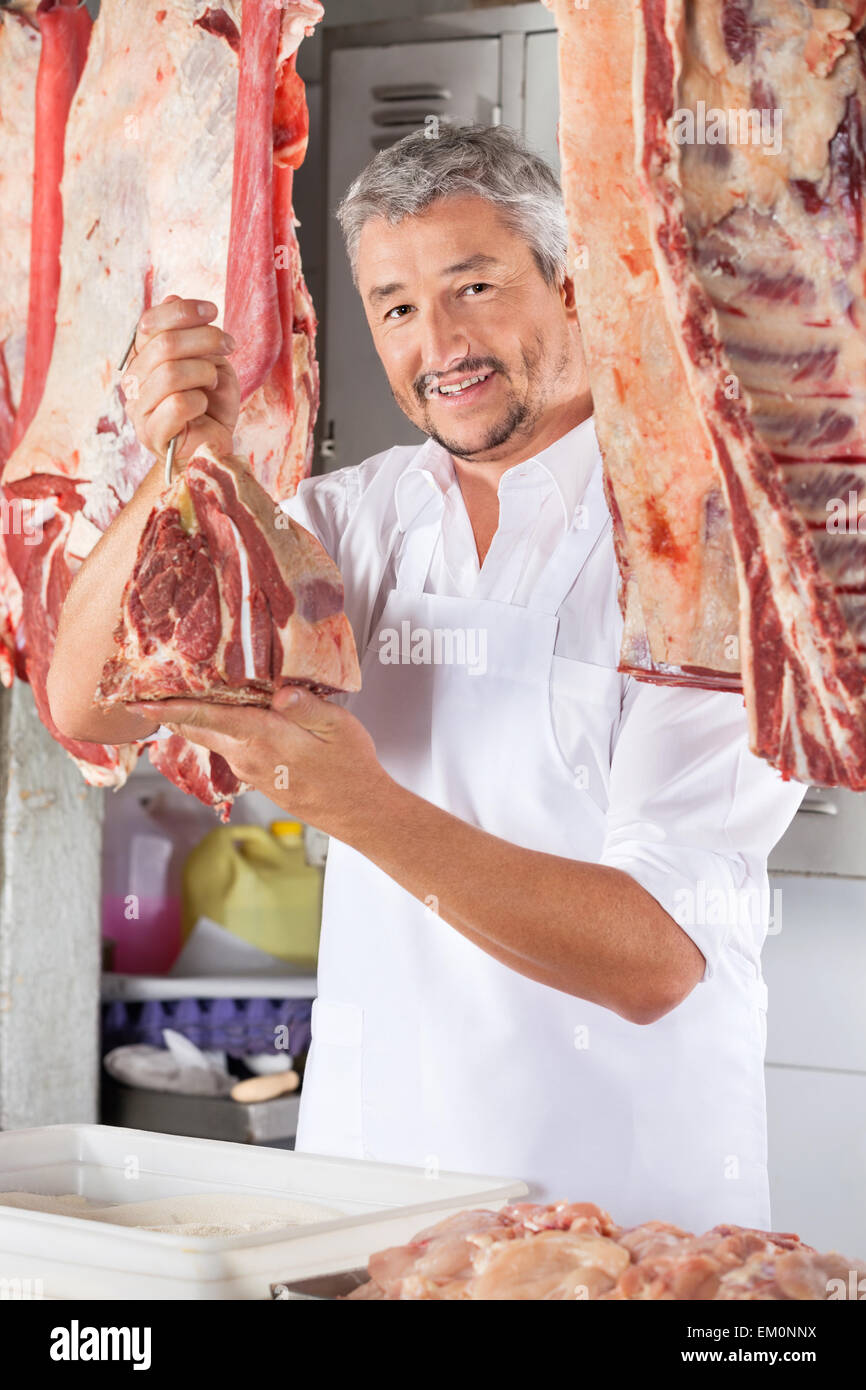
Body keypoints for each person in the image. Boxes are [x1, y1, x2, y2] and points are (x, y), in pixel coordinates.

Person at [47, 125, 806, 1232]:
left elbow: (654, 955)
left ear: (571, 281)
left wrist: (358, 806)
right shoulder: (355, 523)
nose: (436, 341)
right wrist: (182, 460)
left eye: (473, 285)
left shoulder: (697, 546)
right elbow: (90, 701)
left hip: (622, 1224)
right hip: (367, 1203)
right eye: (395, 306)